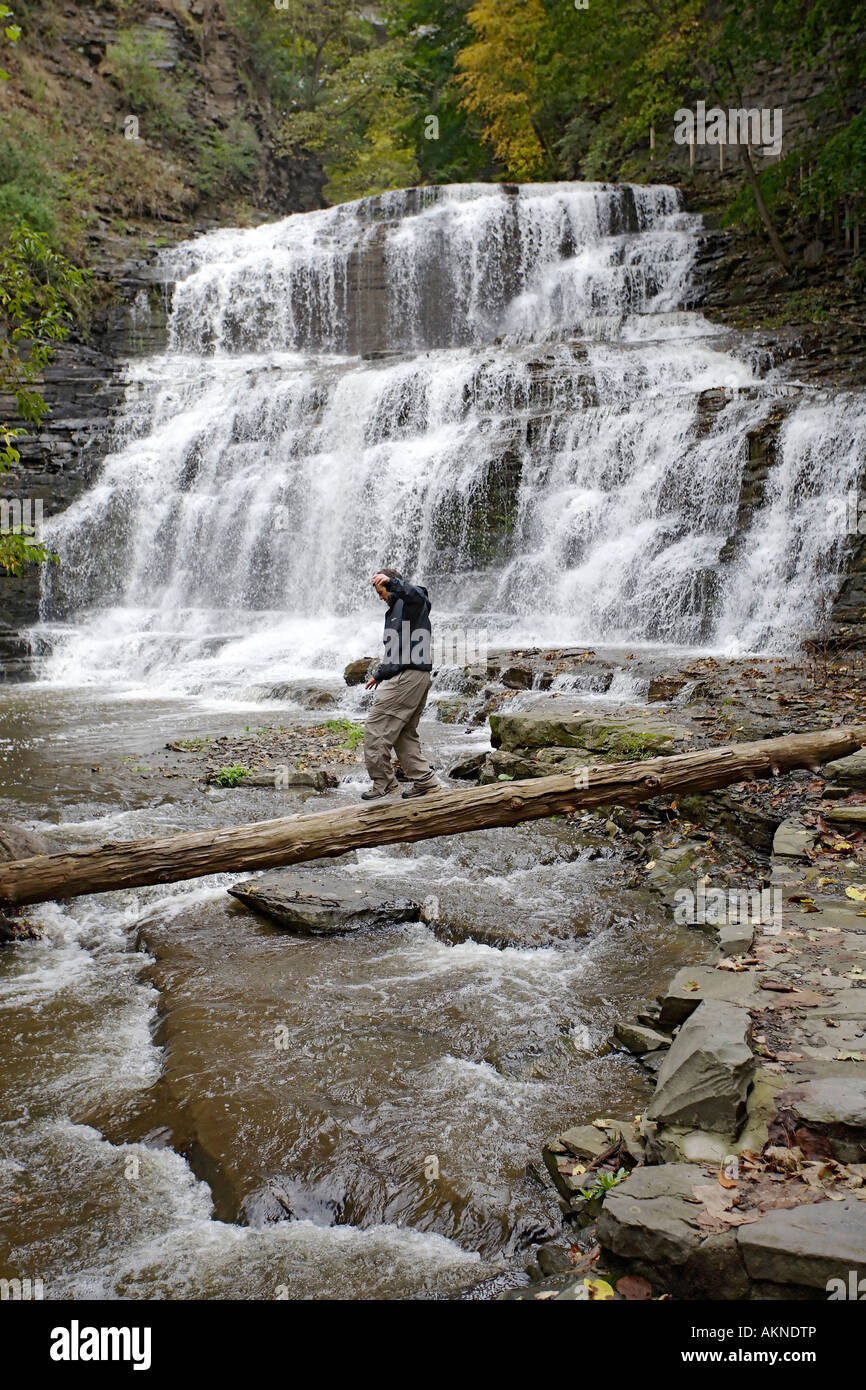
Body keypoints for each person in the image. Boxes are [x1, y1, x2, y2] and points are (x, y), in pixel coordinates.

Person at [360, 568, 440, 800]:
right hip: (412, 675)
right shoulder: (395, 610)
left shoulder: (410, 600)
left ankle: (384, 783)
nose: (380, 596)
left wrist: (393, 583)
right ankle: (425, 781)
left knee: (376, 728)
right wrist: (381, 674)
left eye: (381, 591)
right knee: (404, 733)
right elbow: (398, 650)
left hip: (409, 677)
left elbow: (416, 595)